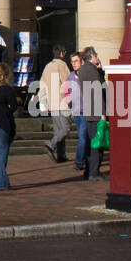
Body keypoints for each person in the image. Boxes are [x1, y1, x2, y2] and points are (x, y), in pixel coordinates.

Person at [76, 47, 107, 180]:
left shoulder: (83, 70)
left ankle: (89, 171)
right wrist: (102, 113)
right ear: (92, 56)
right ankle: (94, 172)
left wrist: (100, 70)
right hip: (96, 111)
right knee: (97, 143)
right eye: (96, 55)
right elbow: (98, 92)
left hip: (89, 110)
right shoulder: (92, 70)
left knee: (90, 142)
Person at [39, 46, 72, 163]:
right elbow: (67, 83)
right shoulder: (62, 65)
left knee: (58, 131)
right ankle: (51, 144)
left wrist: (43, 101)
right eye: (65, 52)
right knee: (65, 129)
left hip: (52, 103)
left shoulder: (47, 66)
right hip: (62, 102)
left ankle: (61, 155)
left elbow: (42, 85)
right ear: (62, 53)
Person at [66, 51, 84, 171]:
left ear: (82, 62)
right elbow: (67, 90)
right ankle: (84, 159)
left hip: (87, 111)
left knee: (83, 137)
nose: (74, 64)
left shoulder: (86, 73)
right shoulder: (71, 75)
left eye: (76, 61)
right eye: (72, 62)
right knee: (82, 137)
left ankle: (79, 161)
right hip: (76, 111)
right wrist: (68, 100)